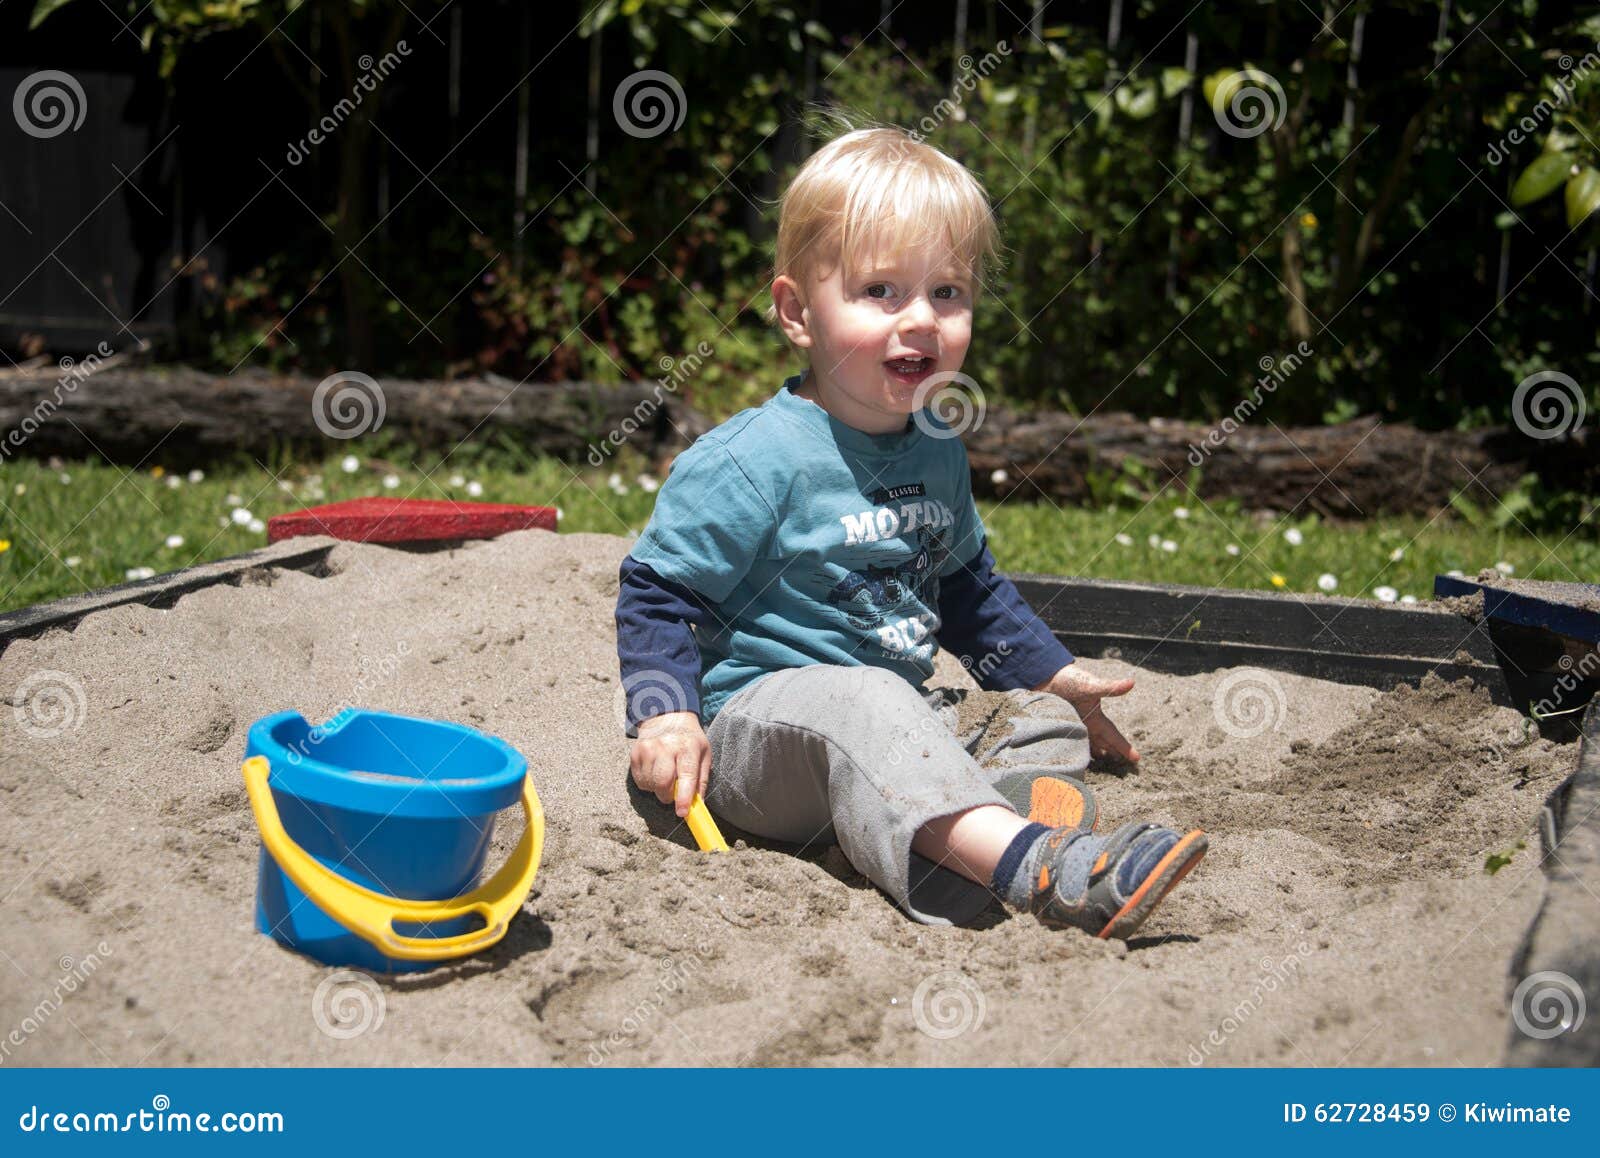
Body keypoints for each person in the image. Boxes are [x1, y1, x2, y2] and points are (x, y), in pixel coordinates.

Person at [614, 122, 1206, 939]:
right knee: (870, 701)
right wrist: (665, 716)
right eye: (881, 292)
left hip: (902, 714)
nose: (920, 320)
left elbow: (965, 589)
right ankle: (1044, 867)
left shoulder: (936, 448)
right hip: (761, 742)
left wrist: (1053, 675)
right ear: (796, 312)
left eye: (948, 293)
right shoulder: (752, 460)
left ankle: (945, 837)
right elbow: (655, 592)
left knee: (1036, 719)